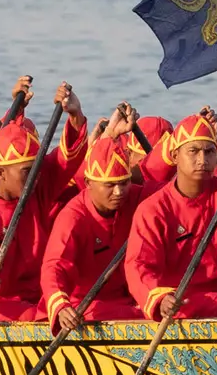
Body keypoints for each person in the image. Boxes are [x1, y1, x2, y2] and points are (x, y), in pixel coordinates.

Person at [0, 90, 87, 324]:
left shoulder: (37, 185)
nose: (35, 176)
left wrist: (75, 115)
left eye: (36, 167)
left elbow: (65, 159)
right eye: (26, 171)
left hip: (37, 297)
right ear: (0, 173)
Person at [125, 113, 217, 321]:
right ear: (175, 156)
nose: (202, 160)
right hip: (180, 301)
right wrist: (159, 298)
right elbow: (138, 266)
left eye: (209, 152)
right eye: (193, 151)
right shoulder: (153, 209)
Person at [40, 131, 143, 330]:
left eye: (124, 183)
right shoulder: (73, 217)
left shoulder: (138, 197)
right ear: (88, 183)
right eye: (110, 185)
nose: (119, 192)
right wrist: (60, 305)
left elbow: (171, 193)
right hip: (86, 306)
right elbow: (55, 266)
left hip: (129, 300)